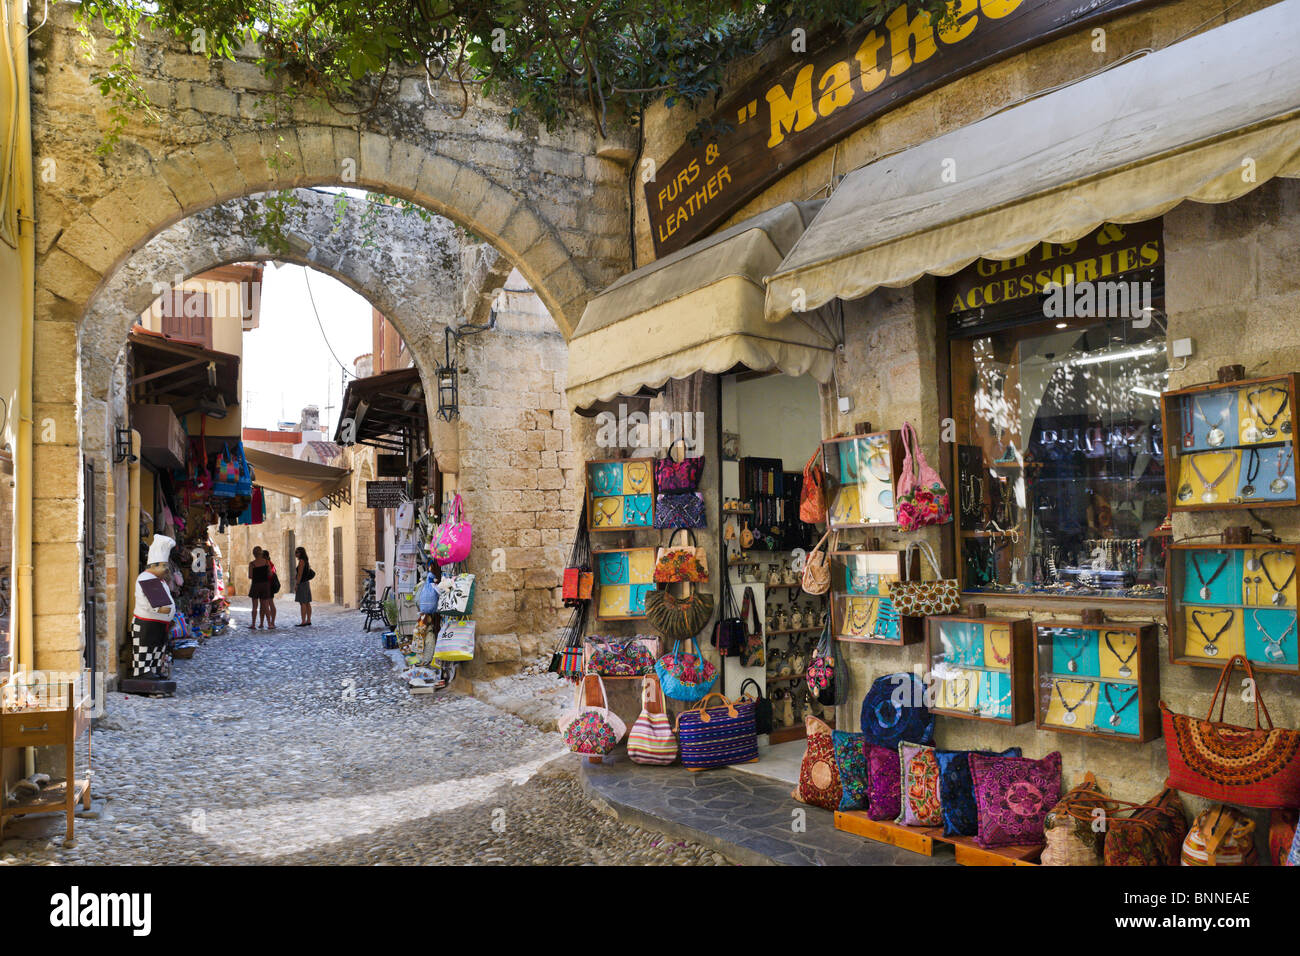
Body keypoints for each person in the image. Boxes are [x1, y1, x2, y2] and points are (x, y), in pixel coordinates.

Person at [132, 535, 175, 679]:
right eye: (163, 566)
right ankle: (143, 672)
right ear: (153, 565)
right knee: (145, 648)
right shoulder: (147, 578)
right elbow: (152, 601)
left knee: (157, 650)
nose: (166, 569)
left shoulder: (159, 580)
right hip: (146, 624)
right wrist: (160, 610)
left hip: (158, 624)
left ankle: (155, 670)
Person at [248, 547, 274, 629]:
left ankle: (253, 624)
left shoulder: (252, 564)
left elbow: (250, 576)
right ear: (261, 553)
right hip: (265, 585)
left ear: (254, 554)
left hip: (255, 585)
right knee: (266, 605)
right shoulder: (267, 562)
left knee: (254, 606)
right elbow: (270, 574)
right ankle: (269, 624)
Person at [293, 546, 313, 626]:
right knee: (307, 602)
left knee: (303, 603)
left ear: (301, 553)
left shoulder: (301, 561)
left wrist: (297, 584)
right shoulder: (305, 561)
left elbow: (300, 574)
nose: (295, 554)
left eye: (297, 552)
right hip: (306, 583)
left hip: (302, 584)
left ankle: (303, 621)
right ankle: (308, 620)